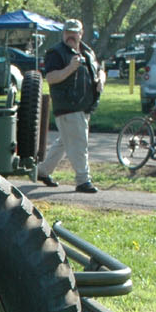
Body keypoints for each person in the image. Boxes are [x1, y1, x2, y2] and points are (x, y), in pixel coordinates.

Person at [34, 18, 104, 194]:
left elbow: (100, 69)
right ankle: (83, 180)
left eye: (74, 33)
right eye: (67, 32)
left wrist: (100, 80)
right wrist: (70, 69)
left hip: (84, 106)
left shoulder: (87, 51)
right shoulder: (56, 53)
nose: (70, 36)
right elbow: (50, 78)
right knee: (79, 143)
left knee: (64, 142)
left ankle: (43, 171)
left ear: (81, 34)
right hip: (67, 106)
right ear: (63, 33)